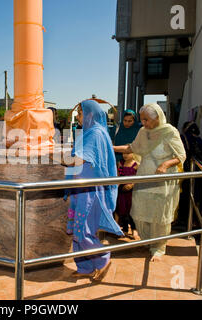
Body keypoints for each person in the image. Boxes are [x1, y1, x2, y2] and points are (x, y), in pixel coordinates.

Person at [54, 99, 123, 280]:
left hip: (90, 191)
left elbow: (79, 160)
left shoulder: (95, 134)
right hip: (80, 189)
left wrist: (52, 156)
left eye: (80, 113)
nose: (78, 116)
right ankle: (85, 267)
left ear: (90, 115)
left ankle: (103, 259)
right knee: (76, 230)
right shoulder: (88, 132)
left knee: (83, 230)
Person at [114, 103, 186, 262]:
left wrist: (165, 164)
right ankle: (148, 240)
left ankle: (159, 247)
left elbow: (181, 156)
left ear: (157, 118)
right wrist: (111, 148)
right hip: (144, 178)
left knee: (159, 215)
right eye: (142, 119)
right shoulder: (143, 132)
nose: (143, 123)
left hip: (161, 182)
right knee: (141, 211)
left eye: (146, 119)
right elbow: (131, 148)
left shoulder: (170, 132)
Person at [176, 121, 202, 229]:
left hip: (188, 171)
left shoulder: (183, 138)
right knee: (196, 197)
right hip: (200, 172)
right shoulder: (200, 140)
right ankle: (194, 221)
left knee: (185, 196)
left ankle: (184, 222)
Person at [115, 152, 140, 240]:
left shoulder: (136, 164)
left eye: (128, 153)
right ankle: (124, 229)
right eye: (123, 153)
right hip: (121, 190)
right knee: (122, 210)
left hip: (132, 192)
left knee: (131, 211)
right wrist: (117, 186)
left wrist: (132, 184)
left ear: (133, 153)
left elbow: (139, 177)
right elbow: (118, 175)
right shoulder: (120, 163)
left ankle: (134, 230)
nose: (125, 155)